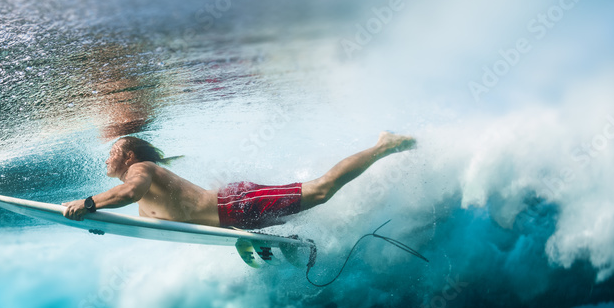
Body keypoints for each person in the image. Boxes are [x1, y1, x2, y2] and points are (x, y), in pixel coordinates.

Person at [62, 132, 416, 230]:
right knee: (316, 196)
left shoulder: (140, 172)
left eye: (112, 152)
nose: (107, 159)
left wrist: (89, 203)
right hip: (233, 214)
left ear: (128, 156)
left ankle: (383, 145)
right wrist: (99, 222)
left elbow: (128, 192)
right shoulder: (144, 181)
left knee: (321, 190)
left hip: (235, 206)